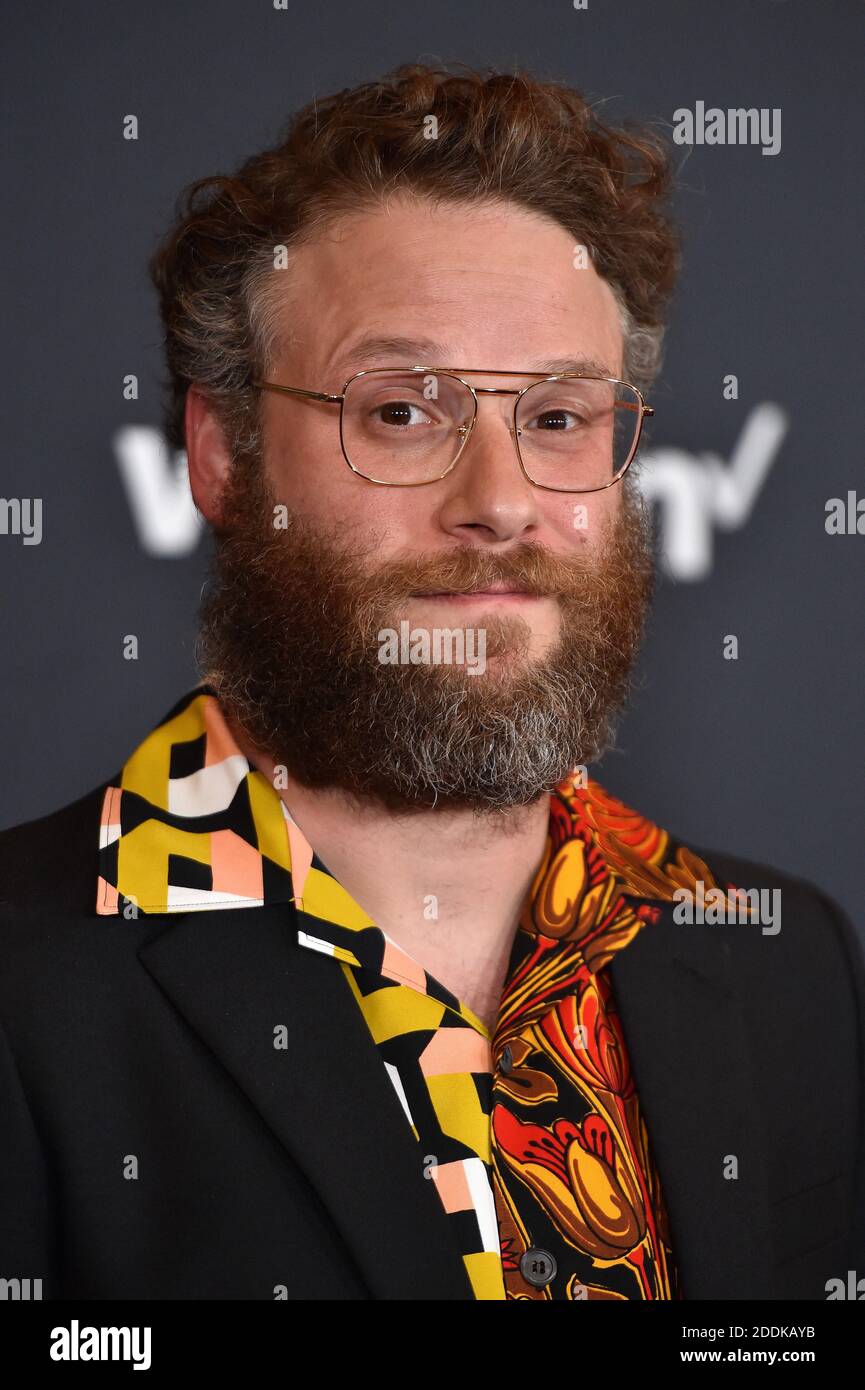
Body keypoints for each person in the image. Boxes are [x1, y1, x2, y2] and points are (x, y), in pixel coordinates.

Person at [1, 62, 862, 1302]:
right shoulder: (28, 989)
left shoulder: (780, 959)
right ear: (220, 454)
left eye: (561, 417)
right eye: (402, 411)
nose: (500, 501)